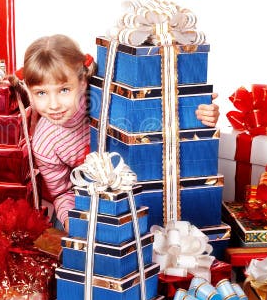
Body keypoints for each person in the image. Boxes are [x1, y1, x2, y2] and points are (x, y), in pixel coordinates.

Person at [13, 34, 219, 231]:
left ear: (83, 81)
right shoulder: (45, 143)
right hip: (99, 197)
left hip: (146, 181)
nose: (54, 104)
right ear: (29, 92)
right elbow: (63, 192)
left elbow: (157, 110)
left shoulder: (110, 98)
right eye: (41, 93)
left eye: (64, 90)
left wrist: (197, 114)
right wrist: (69, 220)